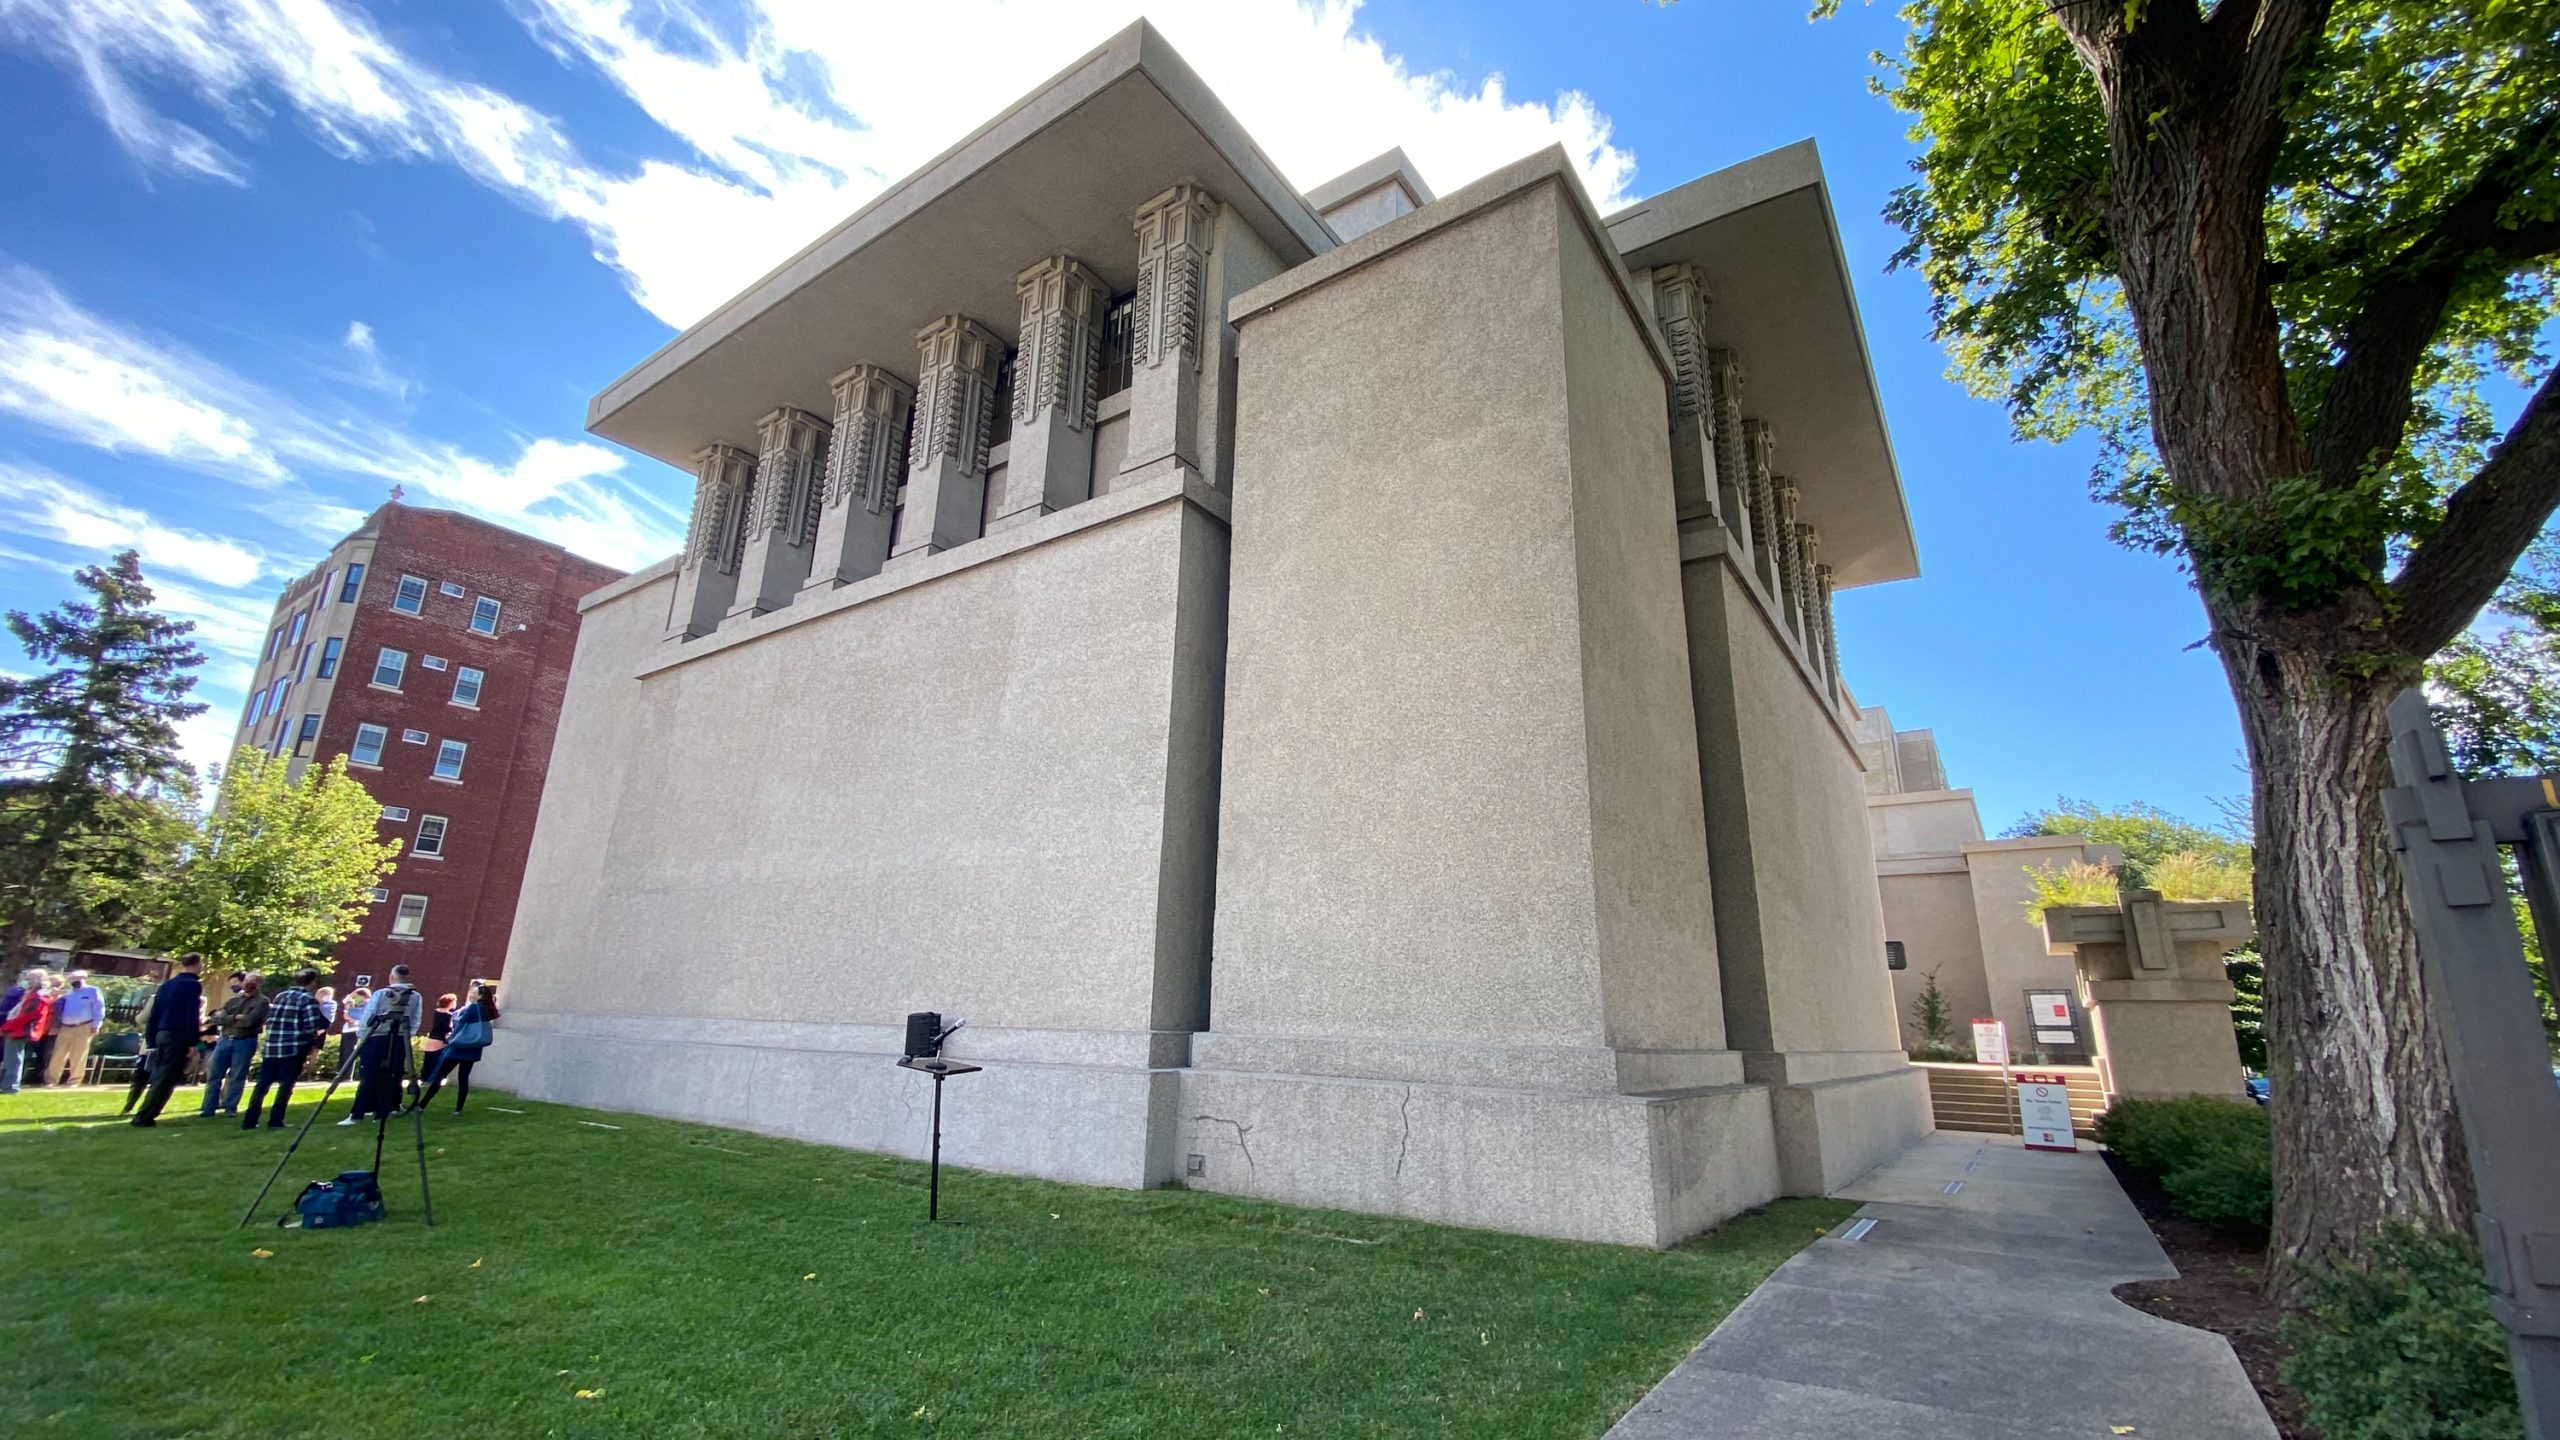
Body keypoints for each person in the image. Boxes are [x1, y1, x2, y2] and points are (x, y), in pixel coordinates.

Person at [241, 968, 325, 1129]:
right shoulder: (308, 999)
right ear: (312, 982)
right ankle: (276, 1119)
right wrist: (312, 1043)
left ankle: (250, 1120)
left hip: (272, 1046)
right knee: (286, 1085)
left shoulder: (281, 996)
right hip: (293, 1047)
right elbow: (311, 1026)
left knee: (262, 1084)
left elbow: (270, 1019)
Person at [129, 955, 206, 1127]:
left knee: (160, 1074)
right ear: (196, 964)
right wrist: (194, 1042)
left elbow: (155, 1012)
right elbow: (191, 1014)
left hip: (161, 1033)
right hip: (177, 1034)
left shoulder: (167, 984)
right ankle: (145, 1116)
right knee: (167, 1077)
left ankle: (144, 1113)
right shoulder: (192, 985)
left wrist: (151, 1039)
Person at [342, 966, 424, 1125]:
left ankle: (358, 1113)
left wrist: (363, 1035)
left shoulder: (381, 994)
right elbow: (416, 1018)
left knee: (369, 1074)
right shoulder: (415, 996)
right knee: (394, 1074)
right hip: (400, 1037)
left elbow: (369, 1016)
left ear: (392, 977)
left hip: (376, 1037)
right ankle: (385, 1108)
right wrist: (408, 1034)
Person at [416, 982, 498, 1113]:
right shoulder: (486, 1009)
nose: (472, 994)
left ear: (480, 995)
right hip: (473, 1048)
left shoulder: (473, 1008)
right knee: (463, 1078)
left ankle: (422, 1105)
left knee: (440, 1075)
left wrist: (451, 1038)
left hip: (459, 1047)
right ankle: (458, 1109)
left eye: (475, 992)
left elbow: (460, 1023)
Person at [198, 972, 268, 1116]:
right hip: (225, 1039)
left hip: (245, 1041)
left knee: (237, 1076)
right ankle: (208, 1108)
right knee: (214, 1075)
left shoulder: (262, 1002)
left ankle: (230, 1108)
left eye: (252, 981)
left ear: (259, 984)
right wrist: (235, 1017)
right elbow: (217, 1018)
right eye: (247, 980)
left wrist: (227, 1018)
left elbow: (248, 1021)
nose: (248, 983)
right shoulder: (234, 1000)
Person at [1, 969, 57, 1094]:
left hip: (20, 1030)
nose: (27, 981)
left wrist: (5, 1028)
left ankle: (10, 1087)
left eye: (30, 979)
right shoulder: (36, 994)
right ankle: (7, 1085)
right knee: (12, 1059)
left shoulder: (37, 996)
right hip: (18, 1029)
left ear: (38, 980)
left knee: (13, 1060)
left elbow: (24, 1016)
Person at [50, 969, 103, 1086]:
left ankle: (74, 1081)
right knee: (58, 1054)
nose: (73, 982)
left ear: (84, 979)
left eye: (76, 979)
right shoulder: (68, 992)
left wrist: (96, 1025)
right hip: (65, 1026)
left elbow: (99, 1009)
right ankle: (51, 1080)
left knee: (78, 1054)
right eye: (71, 980)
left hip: (84, 1025)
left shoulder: (93, 991)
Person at [334, 985, 370, 1082]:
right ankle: (340, 1073)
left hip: (355, 1029)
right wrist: (352, 994)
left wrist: (353, 1020)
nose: (355, 998)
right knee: (343, 1052)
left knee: (349, 1052)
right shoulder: (355, 1003)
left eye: (358, 996)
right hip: (347, 1029)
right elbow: (345, 1001)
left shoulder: (367, 1004)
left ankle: (347, 1075)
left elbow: (364, 1017)